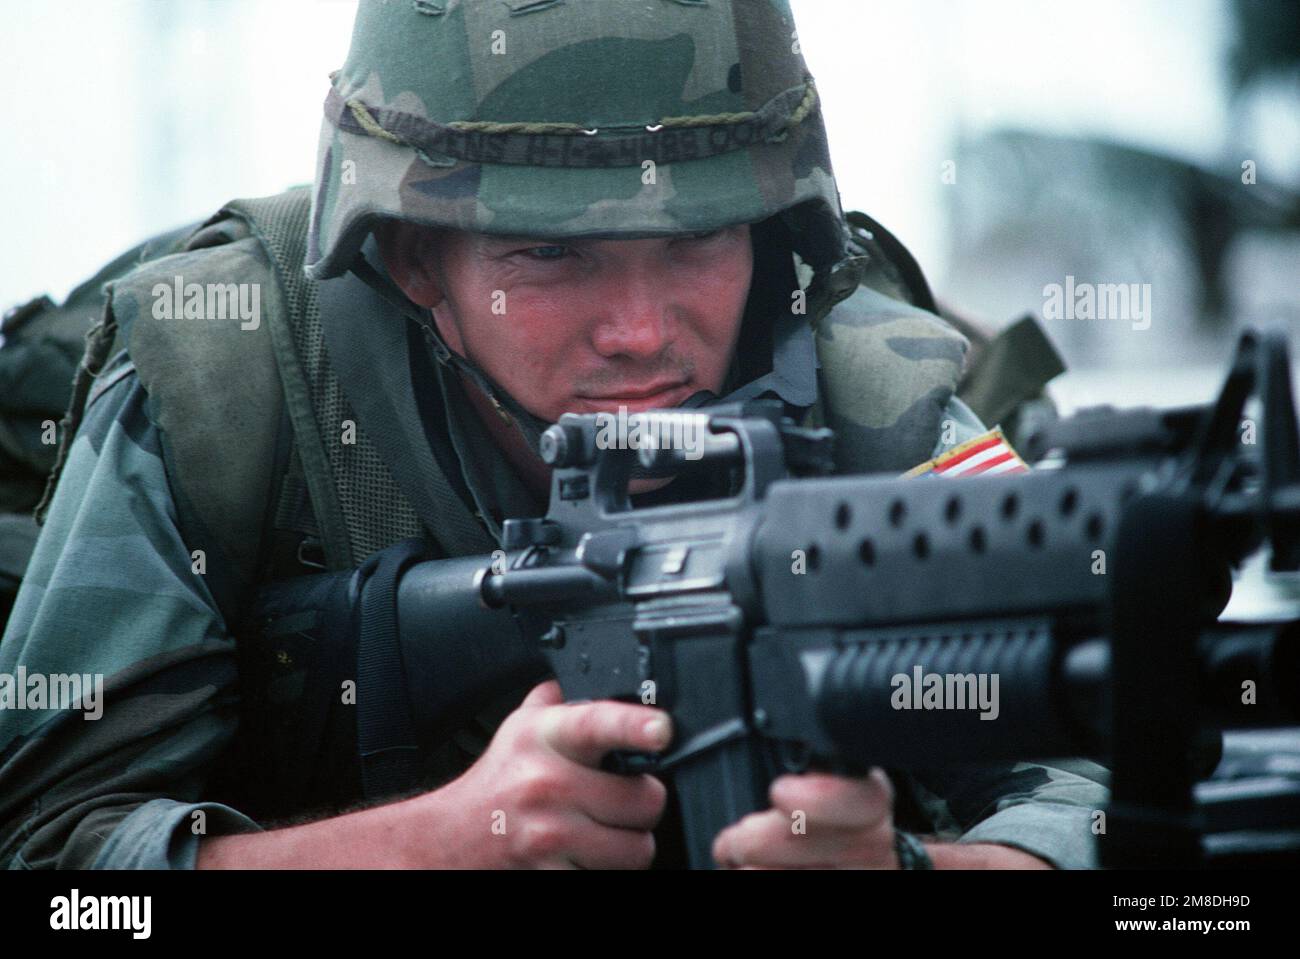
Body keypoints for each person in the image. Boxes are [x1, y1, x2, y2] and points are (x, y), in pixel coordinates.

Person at [0, 0, 1106, 869]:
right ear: (413, 257)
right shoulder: (219, 379)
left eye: (699, 238)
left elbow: (1099, 789)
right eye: (550, 255)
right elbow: (60, 869)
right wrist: (429, 844)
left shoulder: (872, 393)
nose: (639, 331)